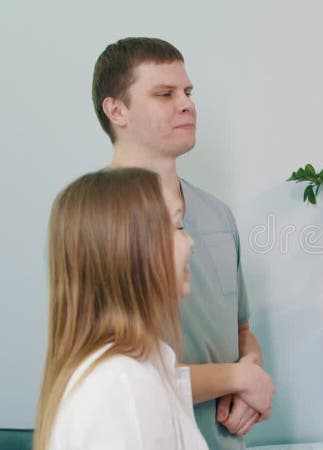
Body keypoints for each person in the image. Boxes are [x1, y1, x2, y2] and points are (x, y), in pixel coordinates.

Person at [91, 37, 274, 450]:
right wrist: (240, 378)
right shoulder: (94, 222)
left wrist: (252, 369)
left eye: (188, 92)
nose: (186, 104)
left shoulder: (217, 216)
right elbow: (118, 376)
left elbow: (241, 328)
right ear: (116, 109)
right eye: (164, 94)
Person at [34, 168, 206, 449]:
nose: (190, 241)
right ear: (132, 248)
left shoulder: (140, 365)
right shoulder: (119, 387)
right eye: (176, 227)